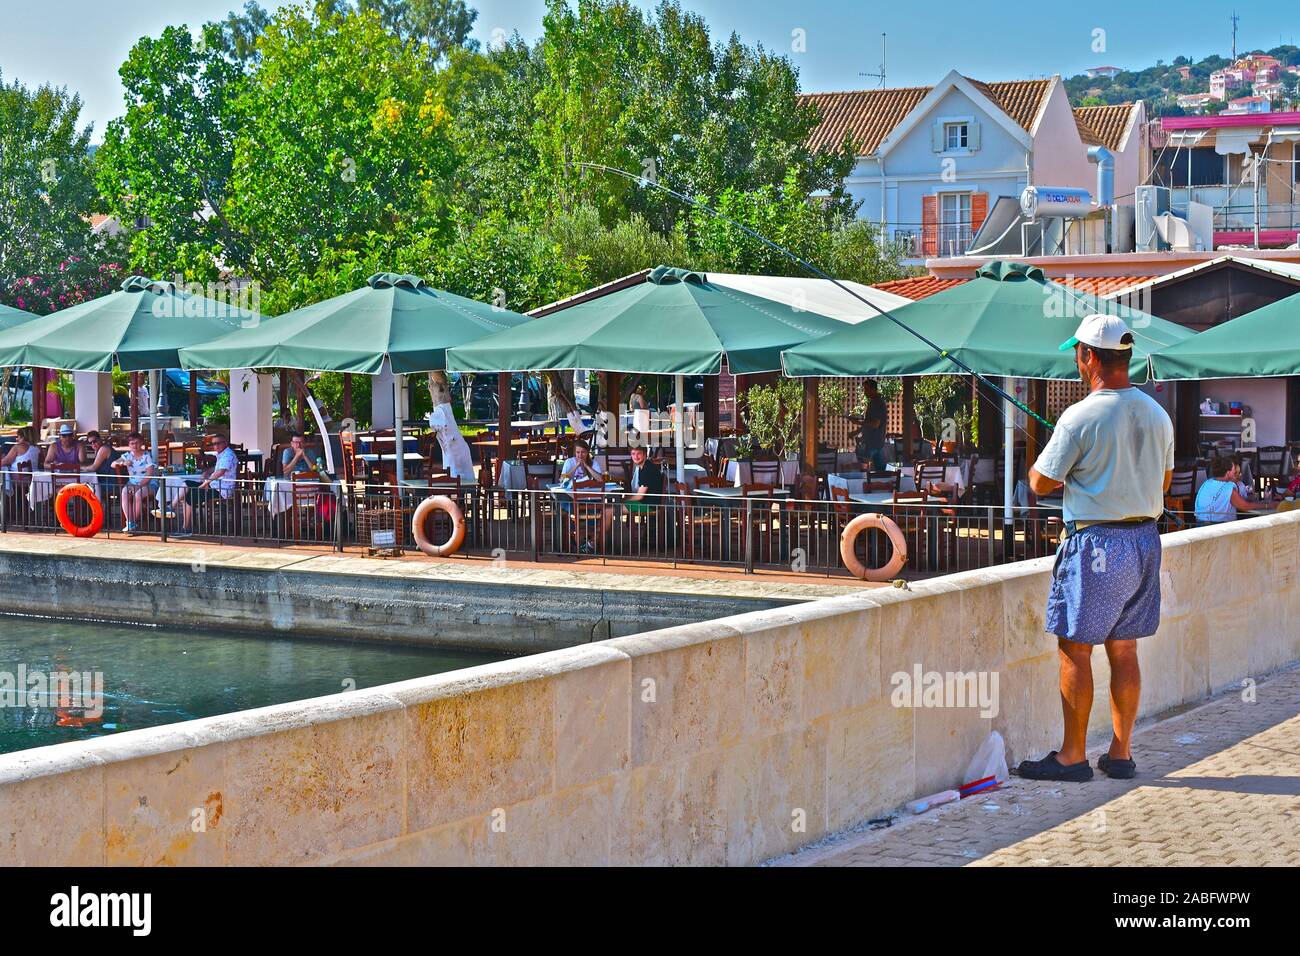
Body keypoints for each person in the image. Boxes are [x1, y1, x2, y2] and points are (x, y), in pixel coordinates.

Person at [1021, 314, 1174, 783]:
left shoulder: (1079, 416)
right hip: (1144, 541)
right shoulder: (1158, 414)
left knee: (1076, 648)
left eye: (1077, 353)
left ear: (1089, 357)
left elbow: (1040, 483)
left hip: (1097, 545)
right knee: (1124, 649)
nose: (1076, 360)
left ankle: (1072, 757)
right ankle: (1121, 753)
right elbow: (1164, 482)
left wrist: (1048, 466)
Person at [175, 434, 240, 538]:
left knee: (190, 496)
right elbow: (217, 468)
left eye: (218, 443)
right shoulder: (222, 454)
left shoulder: (228, 455)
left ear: (225, 443)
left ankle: (185, 528)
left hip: (221, 489)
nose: (216, 446)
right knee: (186, 483)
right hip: (214, 485)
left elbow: (221, 471)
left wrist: (206, 482)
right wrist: (207, 472)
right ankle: (171, 507)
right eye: (214, 444)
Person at [601, 443, 663, 544]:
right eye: (633, 454)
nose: (636, 456)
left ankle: (598, 542)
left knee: (608, 511)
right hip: (645, 502)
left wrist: (624, 499)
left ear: (645, 454)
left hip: (649, 505)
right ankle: (601, 541)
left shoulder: (647, 470)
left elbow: (639, 496)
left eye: (639, 454)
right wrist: (624, 499)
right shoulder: (644, 467)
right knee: (607, 508)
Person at [1194, 455, 1269, 524]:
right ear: (1228, 473)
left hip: (1199, 524)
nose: (1235, 472)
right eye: (1234, 470)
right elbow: (1245, 506)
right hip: (1219, 526)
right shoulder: (1228, 487)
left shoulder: (1207, 483)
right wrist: (1268, 505)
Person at [114, 432, 156, 535]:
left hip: (148, 483)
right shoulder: (127, 455)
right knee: (124, 492)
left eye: (137, 443)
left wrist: (138, 486)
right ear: (129, 445)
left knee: (138, 495)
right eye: (132, 443)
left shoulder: (147, 455)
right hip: (132, 483)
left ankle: (134, 521)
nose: (134, 445)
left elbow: (149, 474)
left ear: (141, 443)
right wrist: (123, 463)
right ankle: (130, 522)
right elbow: (113, 464)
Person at [854, 379, 888, 471]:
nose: (865, 392)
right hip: (874, 442)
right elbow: (869, 422)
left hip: (873, 442)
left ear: (873, 389)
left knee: (864, 470)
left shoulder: (877, 403)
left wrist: (859, 422)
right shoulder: (873, 402)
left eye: (867, 389)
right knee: (880, 471)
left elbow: (875, 424)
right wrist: (856, 431)